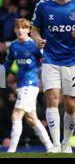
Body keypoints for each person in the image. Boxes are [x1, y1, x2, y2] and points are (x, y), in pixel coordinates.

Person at [30, 0, 75, 153]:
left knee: (71, 104)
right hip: (50, 60)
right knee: (52, 99)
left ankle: (66, 142)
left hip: (72, 61)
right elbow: (34, 29)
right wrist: (37, 39)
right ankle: (55, 144)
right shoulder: (43, 6)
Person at [4, 18, 53, 153]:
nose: (20, 30)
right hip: (21, 85)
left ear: (28, 30)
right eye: (18, 28)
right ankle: (50, 147)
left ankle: (11, 151)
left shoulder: (34, 45)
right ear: (14, 30)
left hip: (31, 84)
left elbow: (46, 60)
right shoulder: (13, 46)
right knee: (32, 119)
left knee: (16, 115)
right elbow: (8, 64)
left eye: (23, 28)